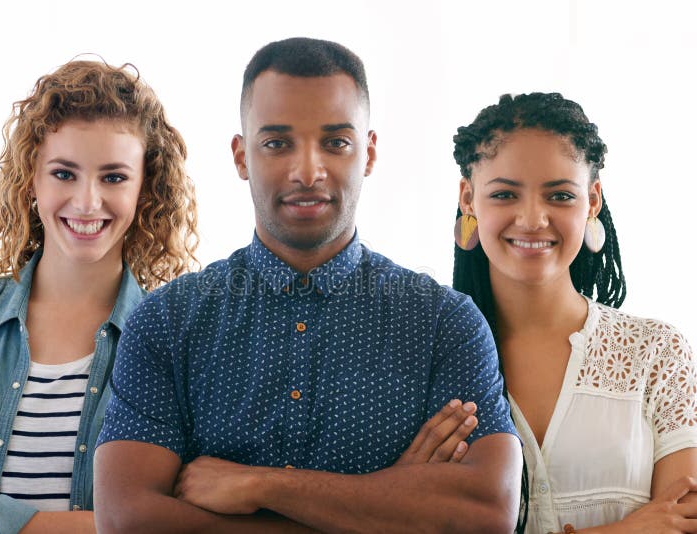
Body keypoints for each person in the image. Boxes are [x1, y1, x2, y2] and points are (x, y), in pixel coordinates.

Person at [94, 37, 522, 533]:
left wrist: (262, 486)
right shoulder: (166, 322)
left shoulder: (445, 323)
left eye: (336, 142)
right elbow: (126, 520)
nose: (307, 172)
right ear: (241, 156)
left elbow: (488, 513)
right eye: (277, 143)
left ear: (368, 153)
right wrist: (384, 505)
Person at [0, 59, 198, 533]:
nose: (87, 202)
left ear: (145, 188)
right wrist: (95, 525)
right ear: (31, 178)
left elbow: (183, 523)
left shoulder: (177, 341)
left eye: (114, 177)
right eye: (64, 173)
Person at [451, 92, 697, 533]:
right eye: (504, 194)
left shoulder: (656, 354)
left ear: (592, 201)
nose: (532, 220)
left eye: (560, 195)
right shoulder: (431, 357)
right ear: (468, 199)